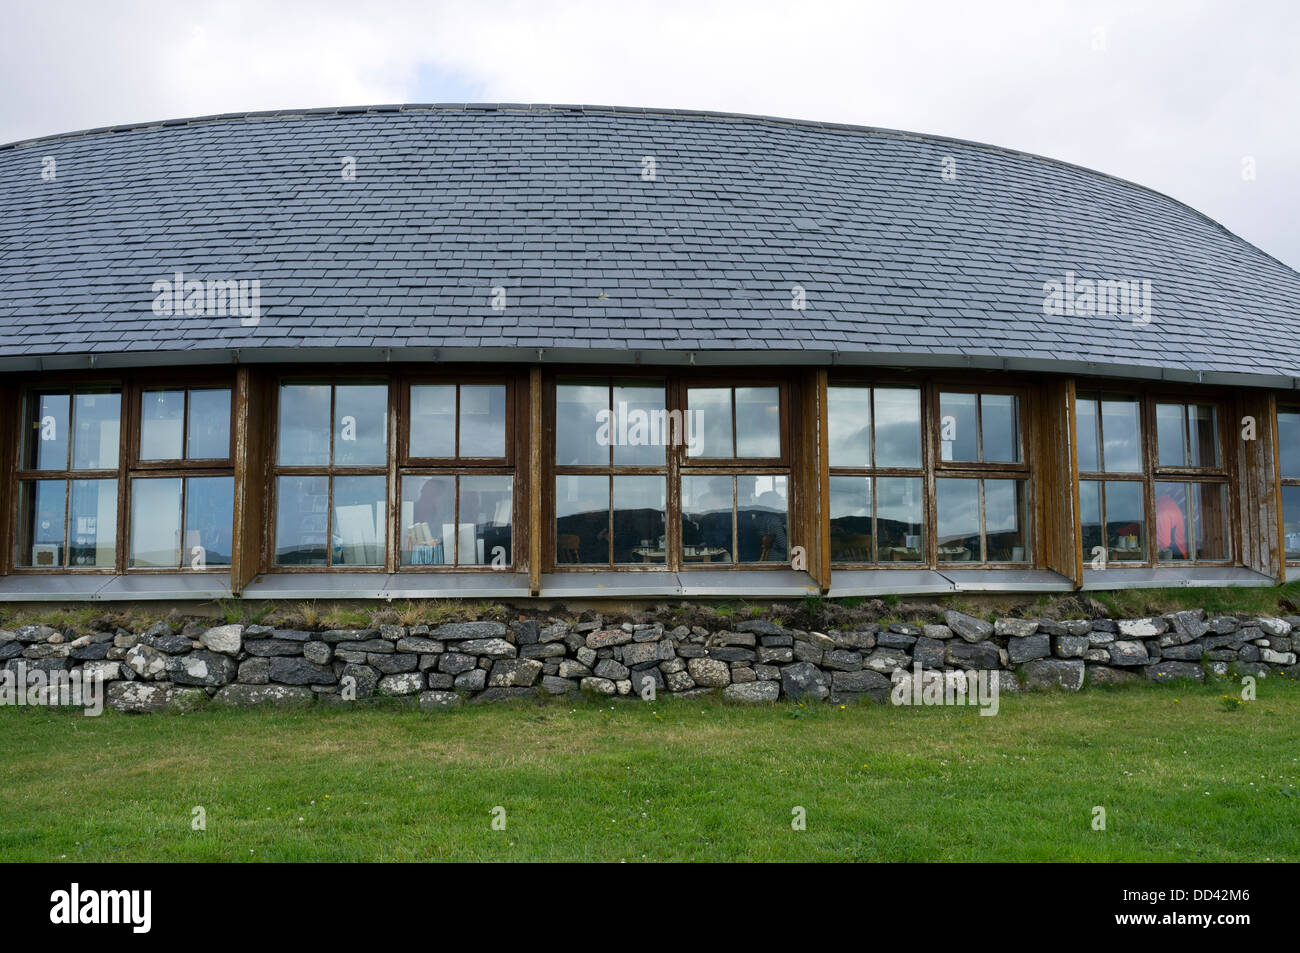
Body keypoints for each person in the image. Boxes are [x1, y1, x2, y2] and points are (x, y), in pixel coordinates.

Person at [1154, 488, 1187, 558]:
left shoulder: (1161, 508)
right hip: (1180, 551)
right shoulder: (1169, 503)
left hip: (1172, 554)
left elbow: (1164, 541)